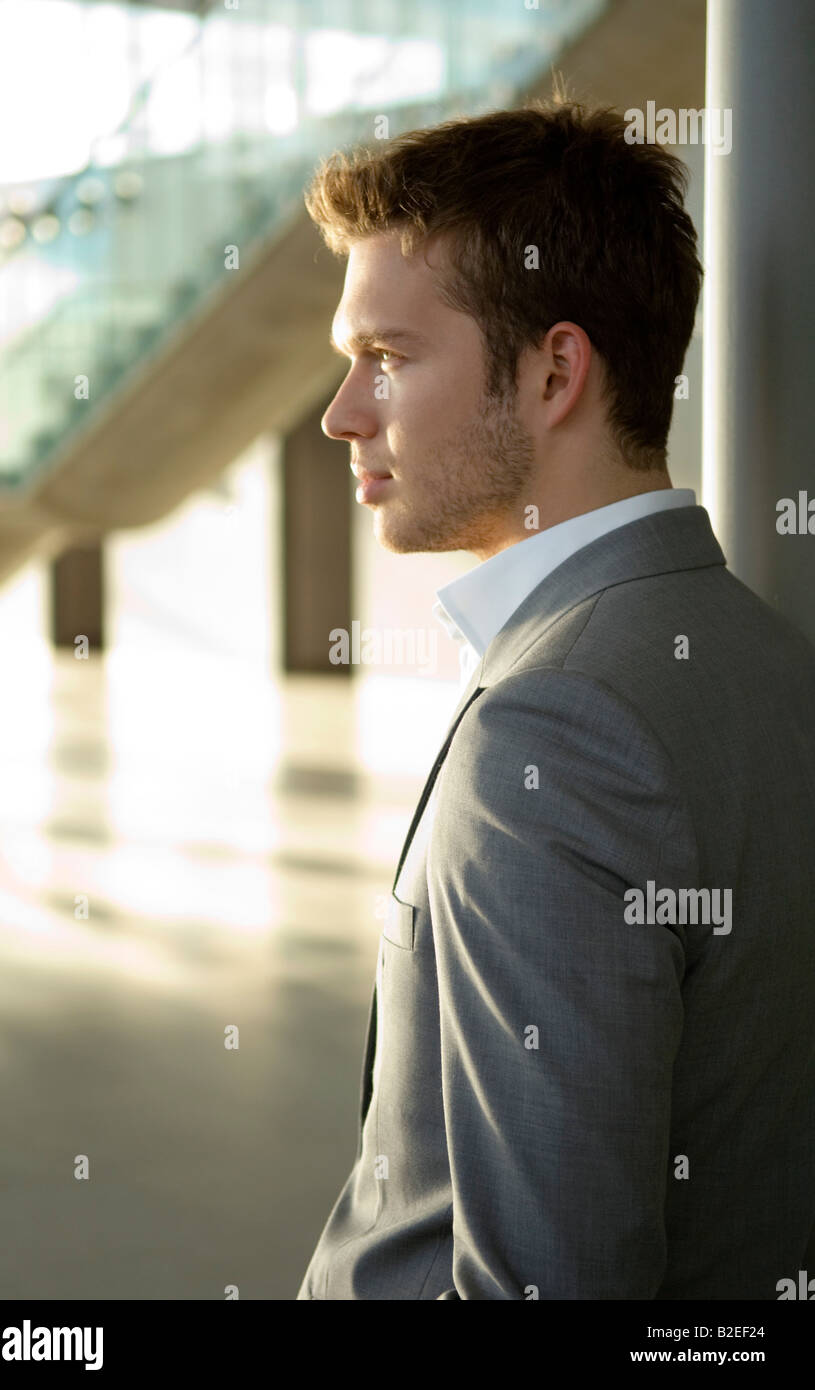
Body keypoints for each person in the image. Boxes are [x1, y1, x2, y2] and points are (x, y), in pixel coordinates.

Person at [295, 101, 815, 1300]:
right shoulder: (770, 660)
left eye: (386, 356)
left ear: (553, 371)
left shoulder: (555, 728)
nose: (342, 414)